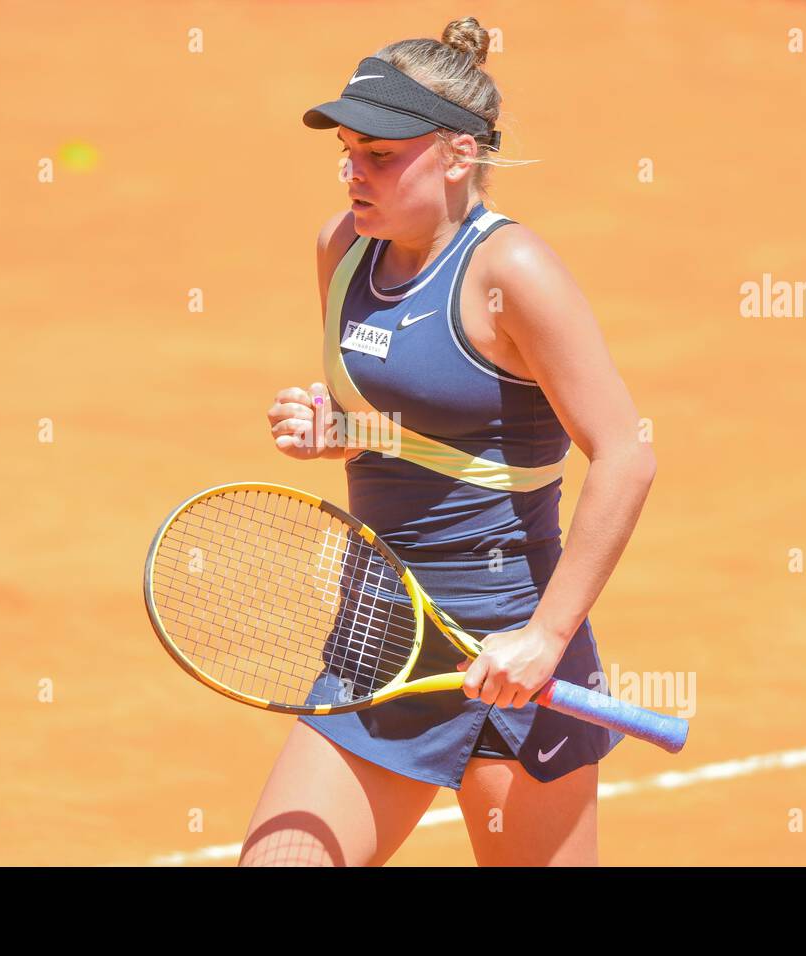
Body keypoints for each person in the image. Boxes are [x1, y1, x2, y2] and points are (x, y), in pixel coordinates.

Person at [250, 17, 657, 867]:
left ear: (458, 156)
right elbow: (412, 423)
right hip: (381, 646)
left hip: (510, 652)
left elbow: (625, 452)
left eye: (382, 156)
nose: (354, 172)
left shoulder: (515, 275)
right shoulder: (343, 247)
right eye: (349, 151)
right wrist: (336, 431)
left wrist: (544, 638)